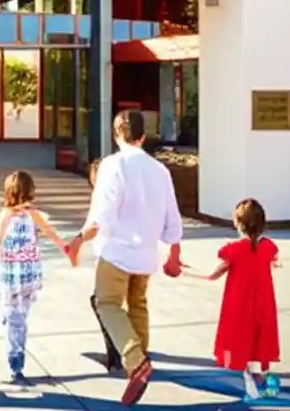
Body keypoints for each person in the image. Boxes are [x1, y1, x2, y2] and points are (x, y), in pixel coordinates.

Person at [67, 110, 184, 406]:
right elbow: (173, 217)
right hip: (146, 255)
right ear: (143, 136)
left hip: (116, 253)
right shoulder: (160, 170)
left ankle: (135, 361)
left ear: (116, 133)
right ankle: (142, 361)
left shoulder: (112, 165)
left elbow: (102, 215)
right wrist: (174, 253)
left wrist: (80, 238)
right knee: (138, 304)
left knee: (107, 304)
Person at [0, 170, 71, 386]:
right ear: (31, 191)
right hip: (30, 277)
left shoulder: (5, 215)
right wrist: (66, 248)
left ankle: (16, 363)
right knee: (20, 317)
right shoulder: (35, 215)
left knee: (14, 319)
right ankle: (13, 325)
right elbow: (51, 233)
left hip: (11, 277)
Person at [204, 198, 282, 401]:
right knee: (260, 336)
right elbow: (273, 259)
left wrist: (192, 272)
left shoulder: (234, 249)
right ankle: (263, 376)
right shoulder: (267, 247)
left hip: (240, 303)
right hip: (264, 302)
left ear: (238, 223)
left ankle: (251, 380)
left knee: (242, 336)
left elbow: (215, 273)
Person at [84, 158, 122, 373]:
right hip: (127, 256)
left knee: (103, 303)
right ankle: (122, 350)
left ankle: (116, 354)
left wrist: (78, 240)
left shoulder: (104, 197)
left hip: (112, 258)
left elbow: (95, 226)